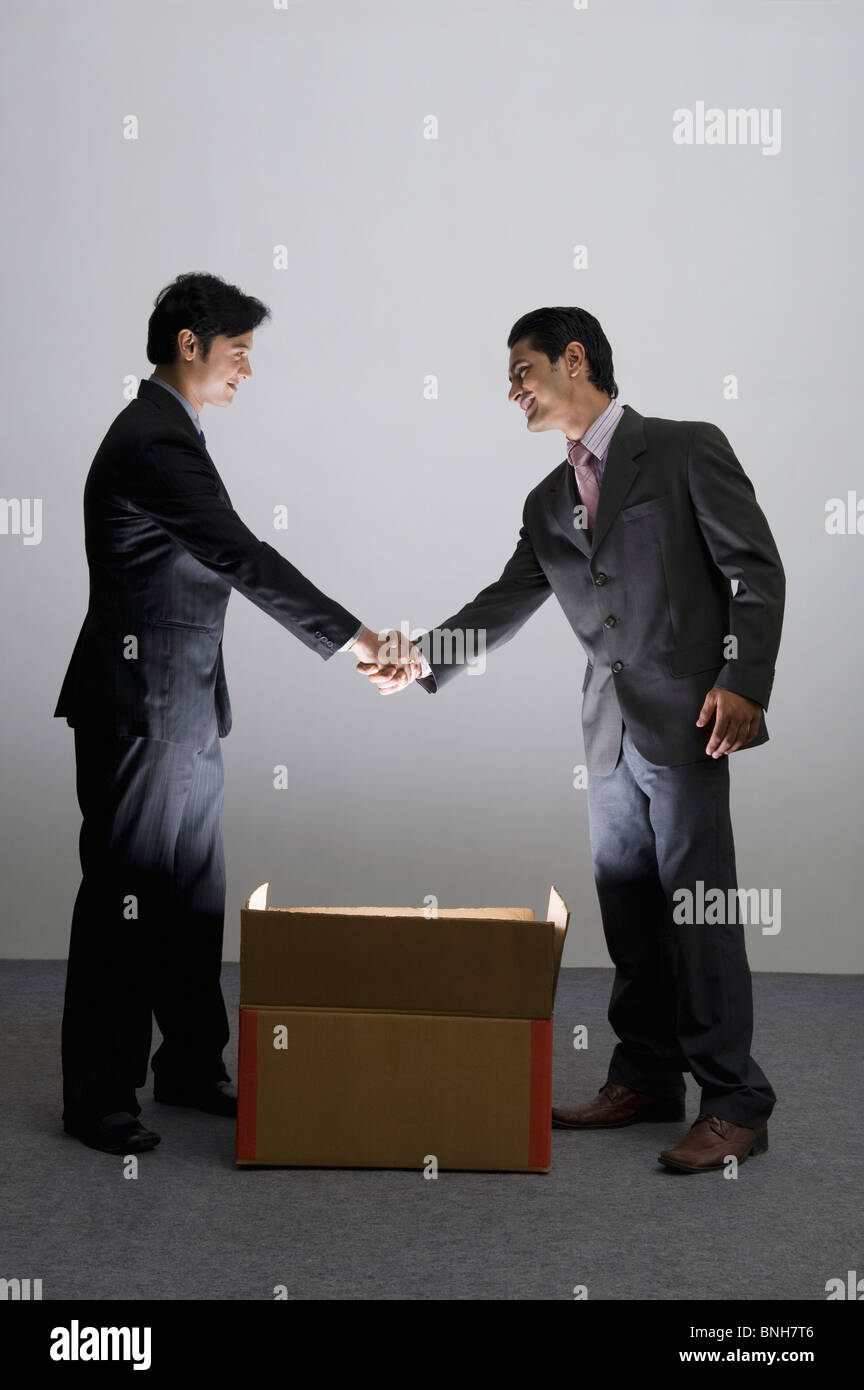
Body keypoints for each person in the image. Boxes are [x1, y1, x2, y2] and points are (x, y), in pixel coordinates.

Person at [359, 305, 785, 1174]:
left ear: (574, 358)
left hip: (691, 722)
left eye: (522, 369)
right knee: (630, 912)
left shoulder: (683, 448)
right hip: (608, 735)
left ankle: (737, 1101)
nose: (510, 389)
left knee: (699, 913)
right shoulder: (546, 501)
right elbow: (503, 604)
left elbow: (755, 568)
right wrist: (421, 661)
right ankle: (648, 1079)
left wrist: (743, 682)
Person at [54, 271, 413, 1155]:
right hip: (139, 706)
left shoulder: (175, 432)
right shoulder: (153, 441)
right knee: (127, 899)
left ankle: (188, 1065)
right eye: (239, 353)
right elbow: (244, 559)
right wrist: (362, 641)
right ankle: (98, 1095)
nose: (248, 371)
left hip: (183, 706)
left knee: (190, 895)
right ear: (190, 343)